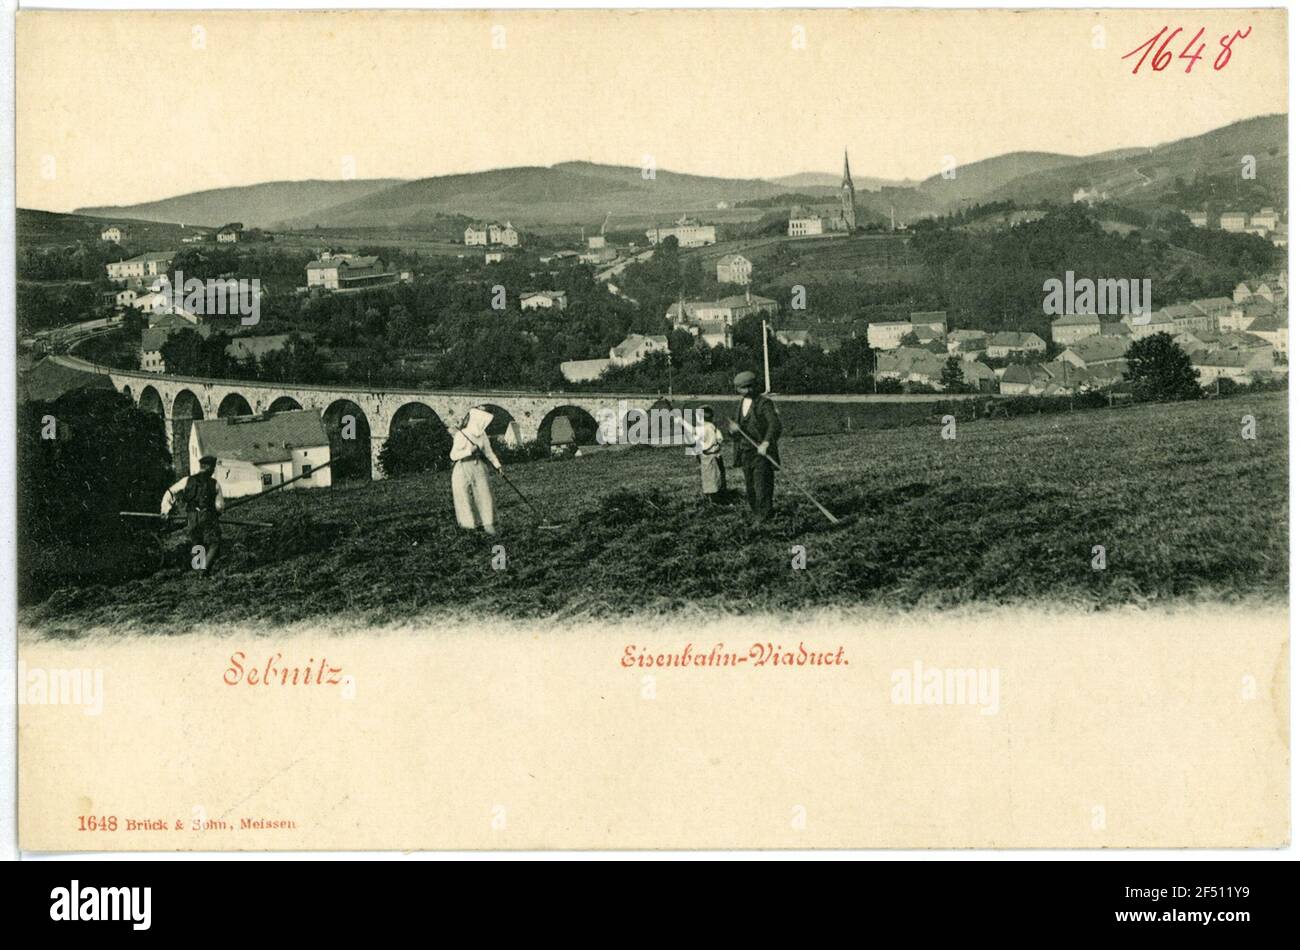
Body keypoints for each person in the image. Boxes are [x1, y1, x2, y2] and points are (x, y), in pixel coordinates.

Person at [727, 370, 782, 522]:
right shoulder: (741, 403)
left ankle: (764, 517)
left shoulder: (764, 403)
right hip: (745, 451)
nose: (742, 391)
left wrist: (766, 443)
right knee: (750, 486)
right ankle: (756, 513)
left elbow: (774, 425)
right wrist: (733, 430)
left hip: (761, 452)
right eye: (740, 388)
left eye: (744, 388)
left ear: (752, 387)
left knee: (761, 485)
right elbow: (735, 426)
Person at [161, 454, 225, 573]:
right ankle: (203, 570)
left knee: (197, 542)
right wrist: (218, 513)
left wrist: (165, 510)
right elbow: (219, 506)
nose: (213, 470)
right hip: (207, 515)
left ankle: (197, 568)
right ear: (208, 467)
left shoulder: (186, 480)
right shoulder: (215, 483)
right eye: (212, 468)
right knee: (214, 543)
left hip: (191, 516)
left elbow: (170, 492)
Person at [449, 406, 503, 534]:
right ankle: (471, 528)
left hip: (479, 467)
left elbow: (489, 452)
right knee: (466, 497)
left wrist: (497, 466)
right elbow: (453, 455)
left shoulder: (483, 435)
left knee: (485, 496)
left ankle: (488, 525)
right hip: (462, 469)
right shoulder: (462, 434)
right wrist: (469, 451)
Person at [684, 405, 727, 503]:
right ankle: (718, 497)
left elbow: (696, 439)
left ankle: (714, 499)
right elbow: (720, 439)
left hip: (708, 456)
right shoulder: (711, 427)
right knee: (716, 477)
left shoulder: (704, 428)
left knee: (710, 477)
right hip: (715, 455)